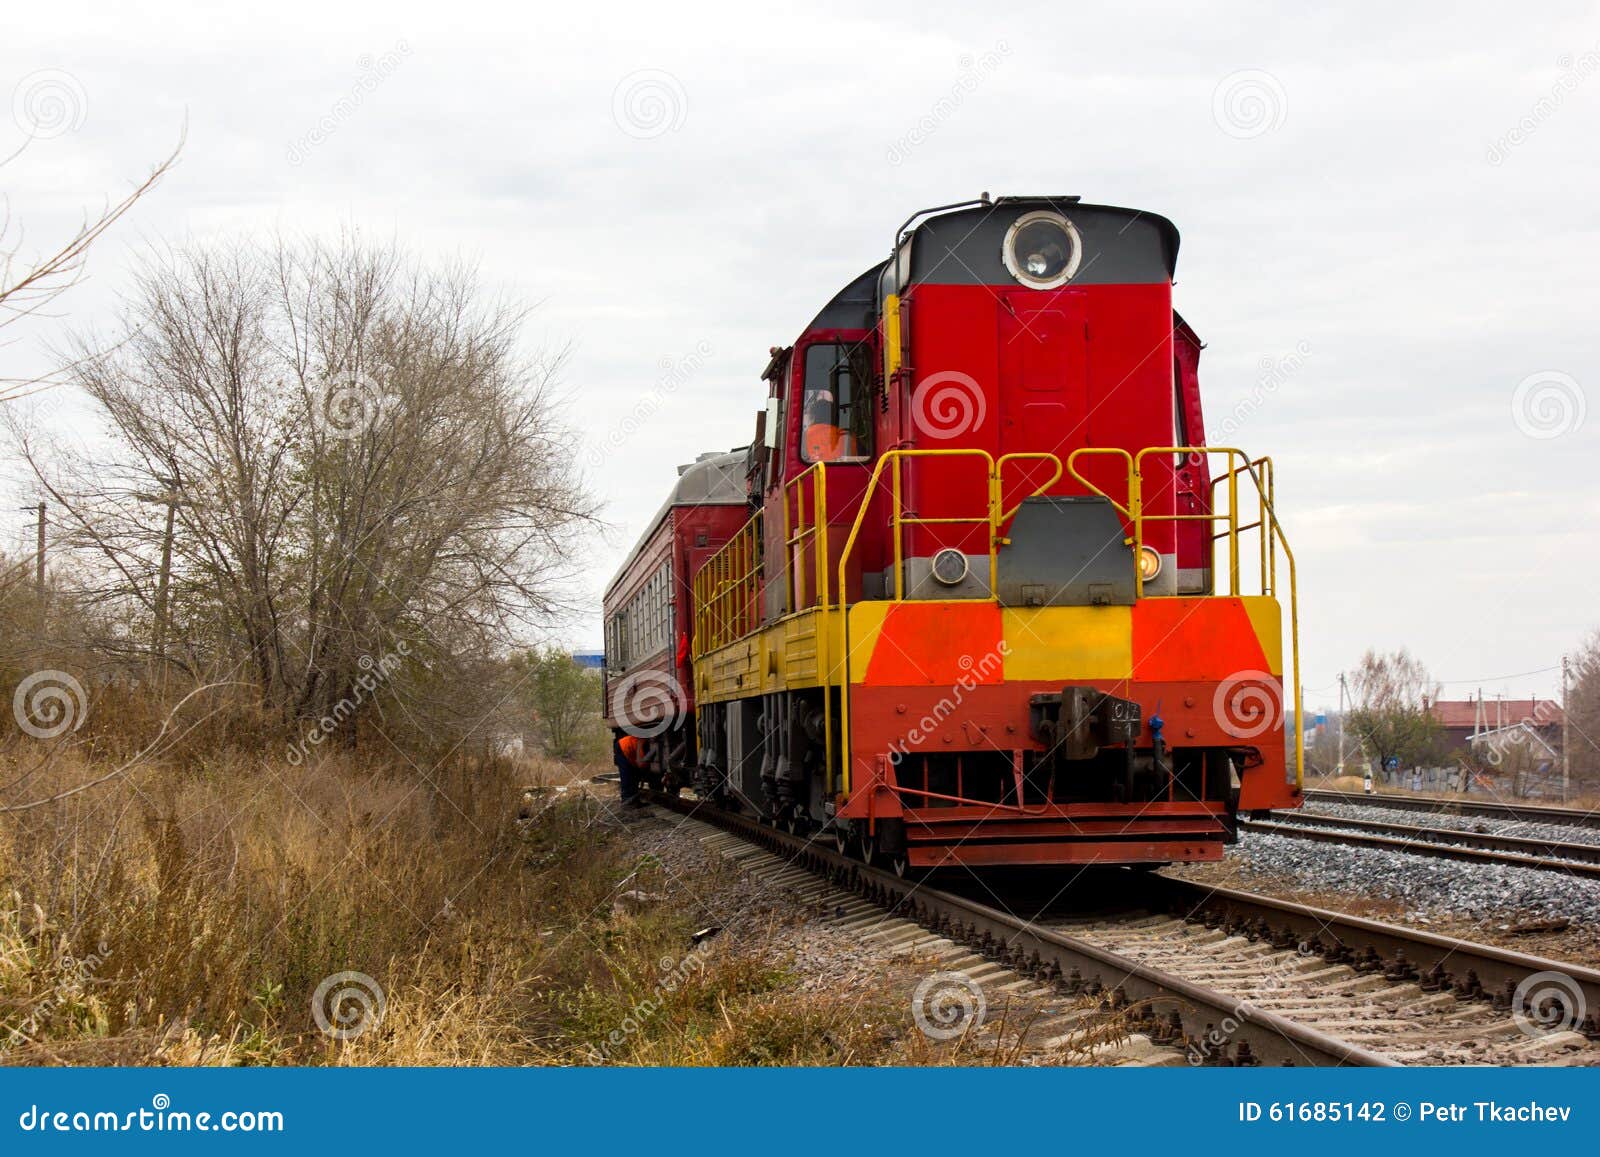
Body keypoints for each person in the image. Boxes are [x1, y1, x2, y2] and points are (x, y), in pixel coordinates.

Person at [613, 728, 648, 809]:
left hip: (629, 750)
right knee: (626, 776)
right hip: (622, 747)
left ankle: (634, 801)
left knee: (634, 776)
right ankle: (626, 801)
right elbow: (640, 763)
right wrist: (644, 771)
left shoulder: (645, 743)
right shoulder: (642, 743)